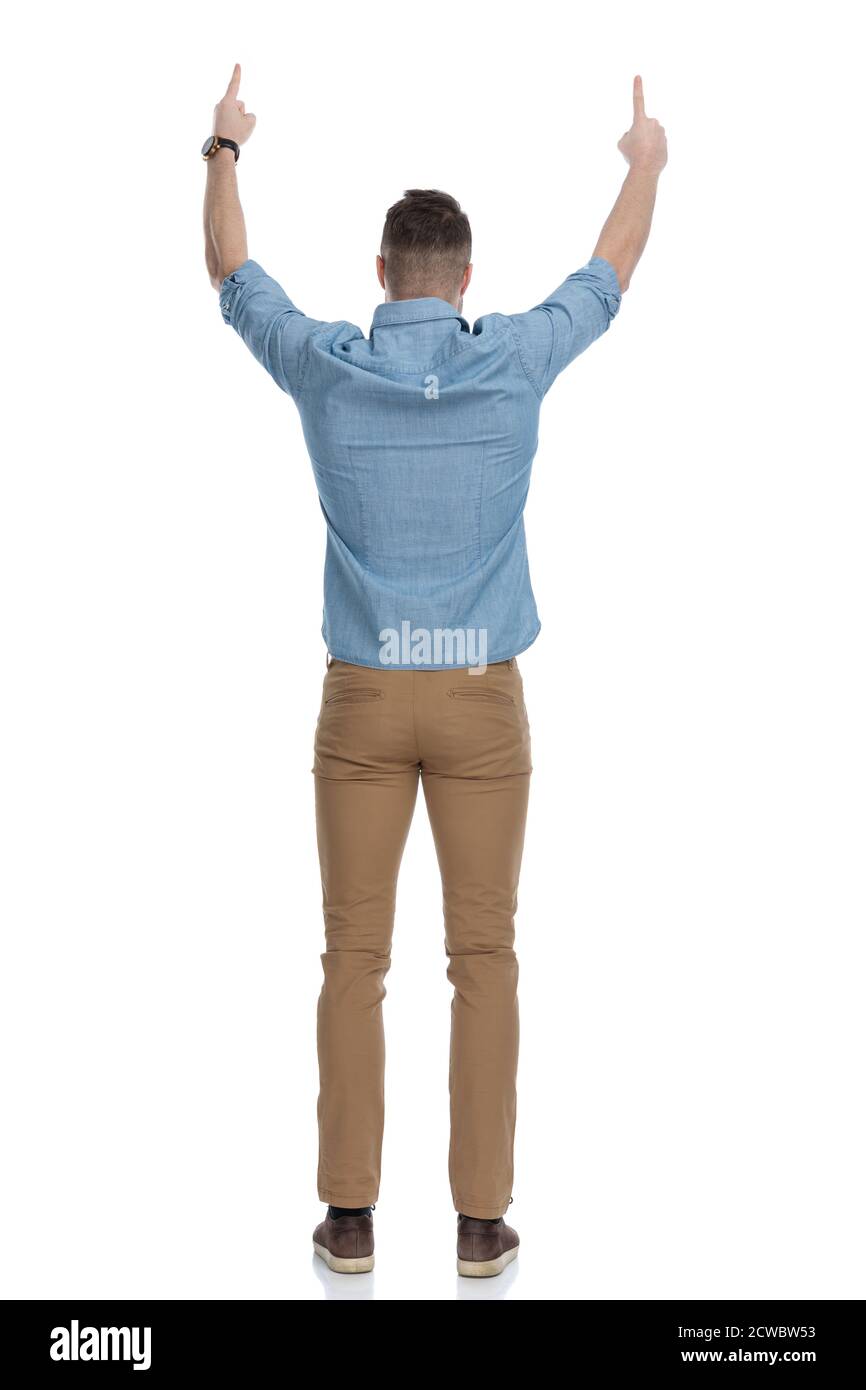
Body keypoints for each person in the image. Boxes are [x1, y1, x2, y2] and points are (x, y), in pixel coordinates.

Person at [203, 65, 667, 1278]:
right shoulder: (511, 357)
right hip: (477, 698)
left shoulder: (326, 364)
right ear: (464, 276)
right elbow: (606, 277)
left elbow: (229, 276)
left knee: (352, 956)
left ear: (378, 275)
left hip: (360, 698)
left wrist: (223, 146)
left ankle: (347, 1219)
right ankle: (478, 1223)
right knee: (484, 956)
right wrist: (645, 162)